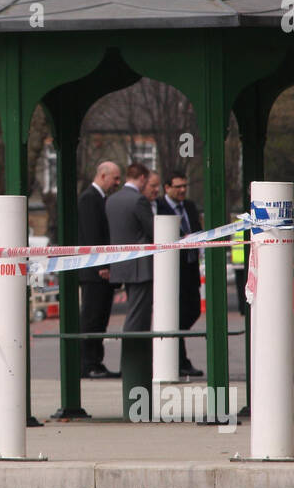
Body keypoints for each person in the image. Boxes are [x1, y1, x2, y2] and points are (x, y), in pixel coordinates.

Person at [106, 164, 155, 399]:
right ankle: (134, 366)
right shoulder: (139, 202)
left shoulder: (111, 200)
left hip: (120, 264)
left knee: (131, 314)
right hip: (140, 266)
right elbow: (155, 230)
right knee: (139, 316)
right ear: (143, 178)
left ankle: (130, 363)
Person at [156, 171, 205, 377]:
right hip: (171, 270)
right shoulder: (160, 207)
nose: (183, 190)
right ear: (167, 188)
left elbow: (197, 230)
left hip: (190, 268)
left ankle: (173, 345)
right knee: (173, 315)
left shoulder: (190, 207)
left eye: (185, 185)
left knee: (193, 310)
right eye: (178, 186)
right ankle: (178, 358)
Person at [77, 161, 121, 378]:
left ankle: (95, 361)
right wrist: (102, 265)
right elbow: (92, 235)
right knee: (92, 318)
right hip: (94, 272)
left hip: (99, 270)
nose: (118, 183)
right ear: (103, 176)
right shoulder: (89, 199)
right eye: (115, 178)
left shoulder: (99, 198)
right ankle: (88, 363)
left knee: (100, 318)